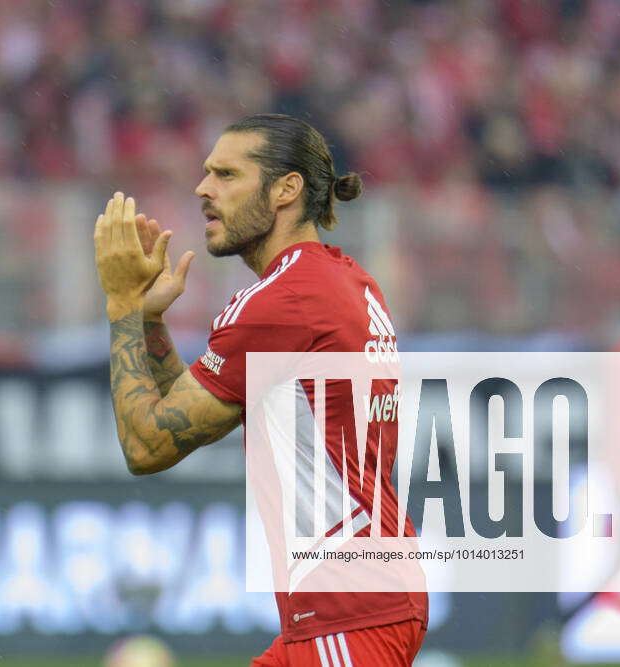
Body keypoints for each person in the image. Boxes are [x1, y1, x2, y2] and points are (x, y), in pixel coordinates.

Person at [93, 113, 427, 666]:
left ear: (285, 190)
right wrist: (149, 322)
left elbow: (148, 446)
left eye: (225, 174)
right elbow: (198, 412)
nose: (203, 189)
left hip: (349, 611)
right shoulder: (342, 279)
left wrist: (121, 306)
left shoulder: (287, 298)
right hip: (351, 605)